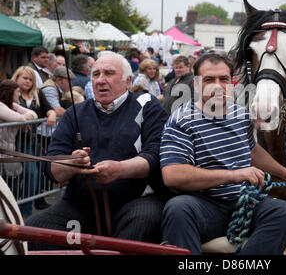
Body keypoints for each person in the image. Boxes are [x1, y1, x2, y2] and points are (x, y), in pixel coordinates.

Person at [160, 54, 286, 255]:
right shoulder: (181, 121)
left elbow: (252, 151)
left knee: (285, 213)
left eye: (223, 79)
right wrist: (235, 174)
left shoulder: (241, 115)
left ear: (231, 83)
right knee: (177, 209)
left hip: (243, 203)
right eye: (209, 80)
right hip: (203, 206)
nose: (217, 86)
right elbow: (172, 175)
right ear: (196, 85)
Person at [25, 52, 170, 250]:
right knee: (34, 230)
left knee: (143, 220)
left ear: (127, 81)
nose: (100, 80)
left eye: (109, 73)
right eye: (95, 74)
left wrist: (119, 169)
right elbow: (51, 167)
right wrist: (70, 163)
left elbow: (156, 155)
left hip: (135, 201)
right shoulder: (75, 113)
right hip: (79, 204)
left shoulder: (147, 106)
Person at [11, 67, 58, 214]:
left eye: (31, 79)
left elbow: (50, 109)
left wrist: (51, 115)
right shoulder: (11, 92)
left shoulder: (38, 93)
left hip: (32, 140)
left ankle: (25, 209)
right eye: (25, 78)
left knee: (36, 173)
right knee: (23, 175)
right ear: (17, 77)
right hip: (14, 141)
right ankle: (21, 211)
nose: (28, 82)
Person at [0, 80, 38, 207]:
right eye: (17, 92)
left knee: (12, 186)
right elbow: (19, 118)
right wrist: (24, 119)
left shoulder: (13, 105)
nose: (19, 95)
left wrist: (25, 118)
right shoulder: (1, 106)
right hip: (3, 152)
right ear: (10, 92)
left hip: (9, 151)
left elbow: (34, 114)